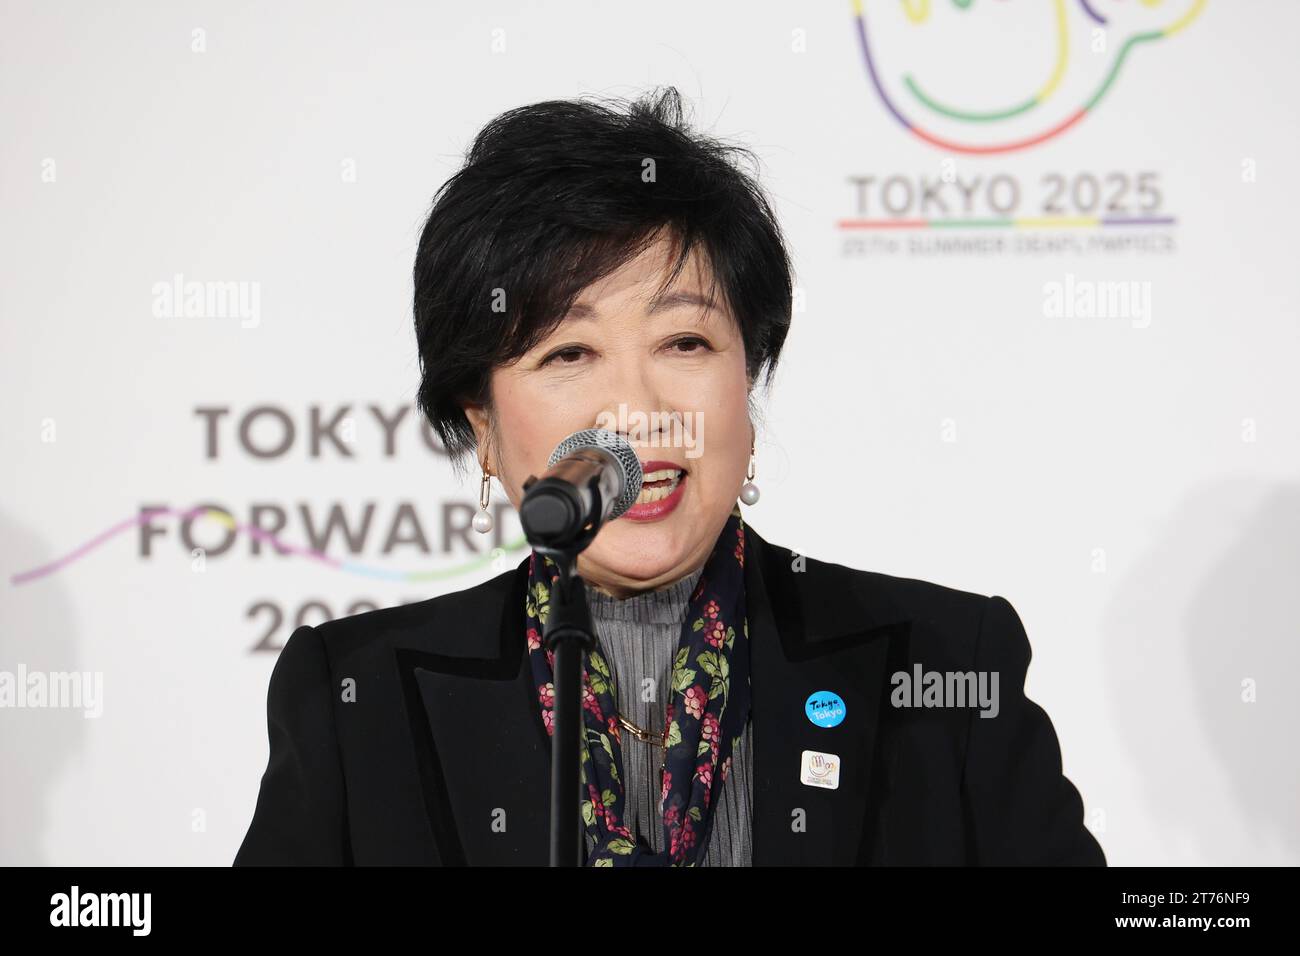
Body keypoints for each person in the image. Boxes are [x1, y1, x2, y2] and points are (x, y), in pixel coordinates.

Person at [233, 87, 1104, 867]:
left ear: (747, 387)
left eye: (684, 342)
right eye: (568, 352)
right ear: (484, 428)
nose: (636, 410)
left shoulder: (946, 664)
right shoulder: (359, 699)